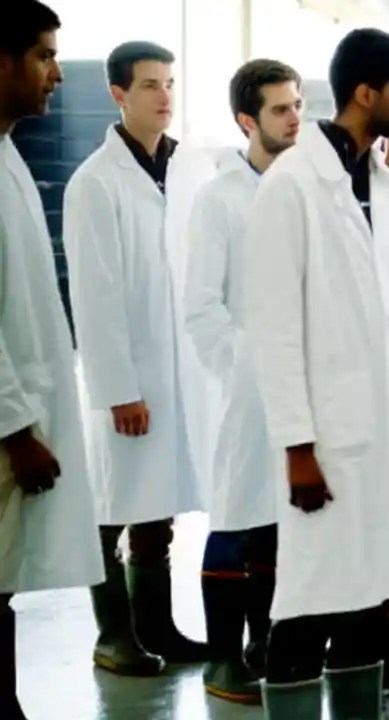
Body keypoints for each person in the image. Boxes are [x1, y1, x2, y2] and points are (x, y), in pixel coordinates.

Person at [240, 28, 389, 717]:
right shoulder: (293, 186)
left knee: (370, 601)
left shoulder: (383, 187)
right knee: (307, 606)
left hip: (381, 438)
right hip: (323, 442)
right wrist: (297, 447)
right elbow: (272, 329)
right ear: (366, 94)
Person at [62, 39, 205, 677]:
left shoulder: (183, 170)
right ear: (119, 95)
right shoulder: (96, 182)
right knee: (110, 508)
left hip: (177, 371)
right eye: (150, 85)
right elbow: (95, 295)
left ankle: (158, 628)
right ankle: (112, 636)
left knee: (158, 506)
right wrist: (119, 387)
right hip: (129, 377)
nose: (165, 96)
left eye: (170, 83)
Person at [182, 58, 303, 704]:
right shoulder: (220, 197)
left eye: (298, 105)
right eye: (280, 109)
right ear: (246, 120)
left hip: (303, 389)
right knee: (236, 517)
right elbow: (201, 306)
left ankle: (265, 645)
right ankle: (223, 659)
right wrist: (246, 366)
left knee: (280, 523)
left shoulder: (305, 188)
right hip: (248, 391)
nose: (294, 118)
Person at [0, 4, 106, 717]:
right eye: (42, 56)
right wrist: (14, 428)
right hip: (10, 425)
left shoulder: (7, 153)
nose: (57, 74)